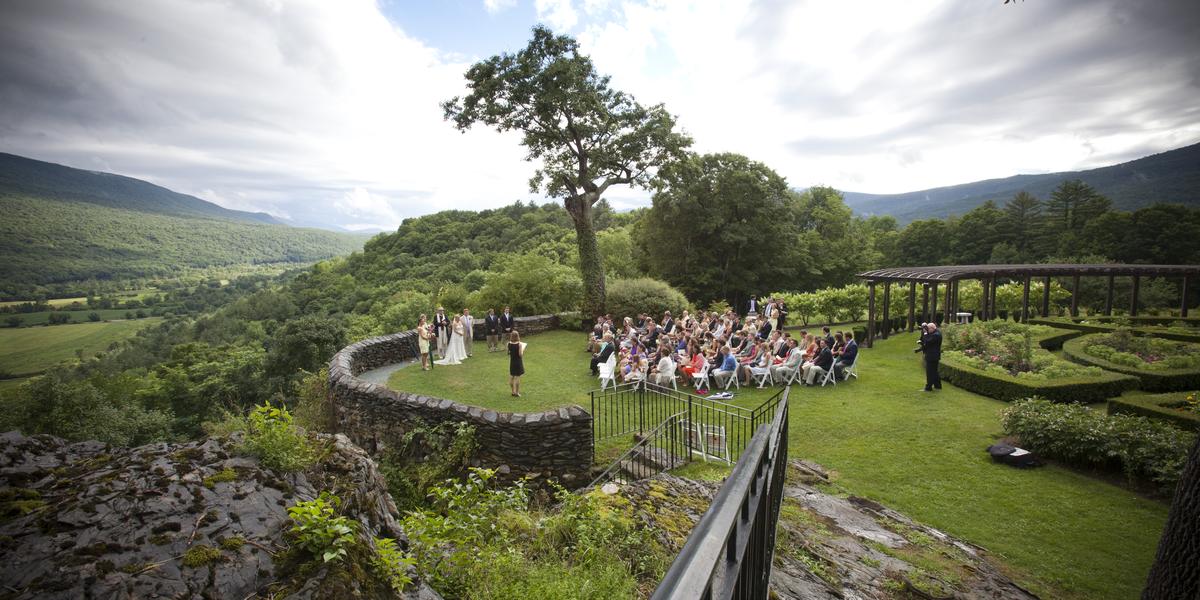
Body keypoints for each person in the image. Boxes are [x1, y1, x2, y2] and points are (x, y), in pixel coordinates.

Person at [916, 322, 943, 391]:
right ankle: (938, 385)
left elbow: (927, 341)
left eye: (928, 329)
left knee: (930, 372)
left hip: (932, 356)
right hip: (934, 355)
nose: (927, 330)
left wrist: (925, 333)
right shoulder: (935, 332)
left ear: (932, 328)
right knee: (934, 371)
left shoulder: (936, 335)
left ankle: (928, 387)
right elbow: (927, 341)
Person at [509, 330, 525, 397]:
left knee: (512, 377)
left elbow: (508, 352)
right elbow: (520, 354)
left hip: (512, 362)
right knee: (517, 377)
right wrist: (522, 350)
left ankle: (513, 391)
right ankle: (517, 392)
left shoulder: (509, 344)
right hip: (518, 362)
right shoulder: (519, 344)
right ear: (517, 336)